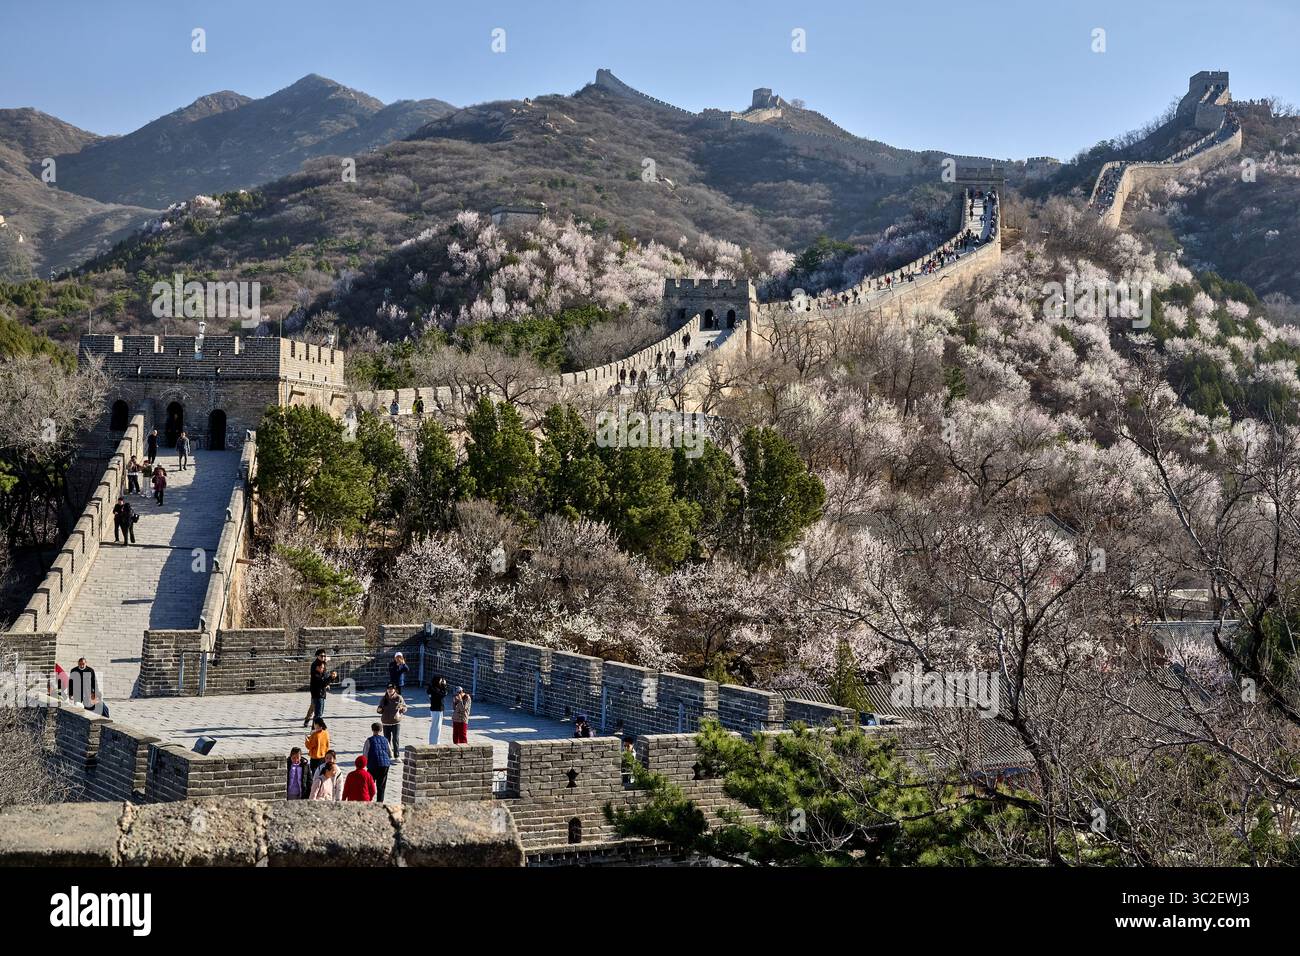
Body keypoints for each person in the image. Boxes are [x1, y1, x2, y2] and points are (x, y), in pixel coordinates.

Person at [362, 723, 394, 802]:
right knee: (381, 786)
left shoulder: (369, 740)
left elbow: (365, 754)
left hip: (373, 765)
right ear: (381, 730)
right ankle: (380, 803)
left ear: (372, 730)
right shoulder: (385, 740)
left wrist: (365, 764)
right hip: (384, 765)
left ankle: (368, 801)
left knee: (369, 785)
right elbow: (391, 754)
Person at [303, 655, 336, 726]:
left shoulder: (322, 667)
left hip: (320, 692)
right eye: (322, 656)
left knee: (313, 707)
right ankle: (312, 725)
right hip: (317, 693)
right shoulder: (316, 666)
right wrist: (330, 679)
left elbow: (324, 678)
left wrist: (328, 681)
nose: (324, 658)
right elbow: (321, 682)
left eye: (325, 657)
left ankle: (308, 720)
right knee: (316, 711)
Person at [377, 683, 408, 753]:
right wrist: (379, 710)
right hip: (386, 722)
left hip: (396, 722)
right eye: (388, 689)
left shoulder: (399, 697)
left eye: (392, 689)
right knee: (386, 740)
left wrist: (402, 708)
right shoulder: (384, 698)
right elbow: (379, 709)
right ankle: (388, 754)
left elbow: (405, 708)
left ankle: (396, 755)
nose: (390, 690)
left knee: (395, 739)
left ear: (394, 690)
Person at [428, 674, 448, 745]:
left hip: (435, 708)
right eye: (440, 680)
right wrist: (444, 686)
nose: (441, 682)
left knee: (435, 726)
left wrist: (442, 685)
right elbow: (443, 694)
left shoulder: (432, 688)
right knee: (436, 726)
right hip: (437, 709)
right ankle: (434, 742)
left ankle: (434, 741)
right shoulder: (434, 689)